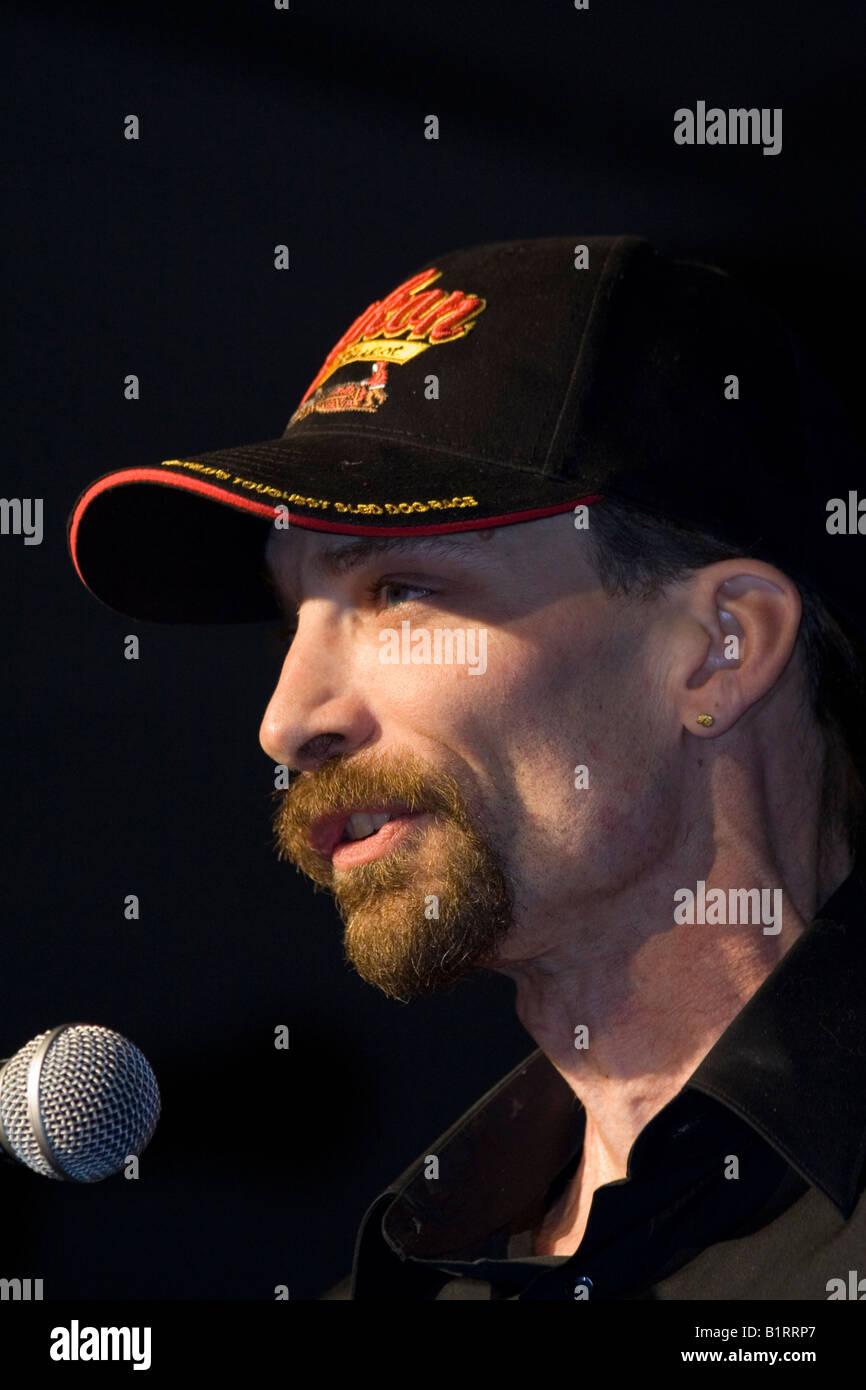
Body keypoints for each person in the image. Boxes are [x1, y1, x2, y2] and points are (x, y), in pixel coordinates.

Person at [67, 235, 866, 1300]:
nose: (286, 719)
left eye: (398, 591)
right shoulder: (411, 1274)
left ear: (718, 645)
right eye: (287, 625)